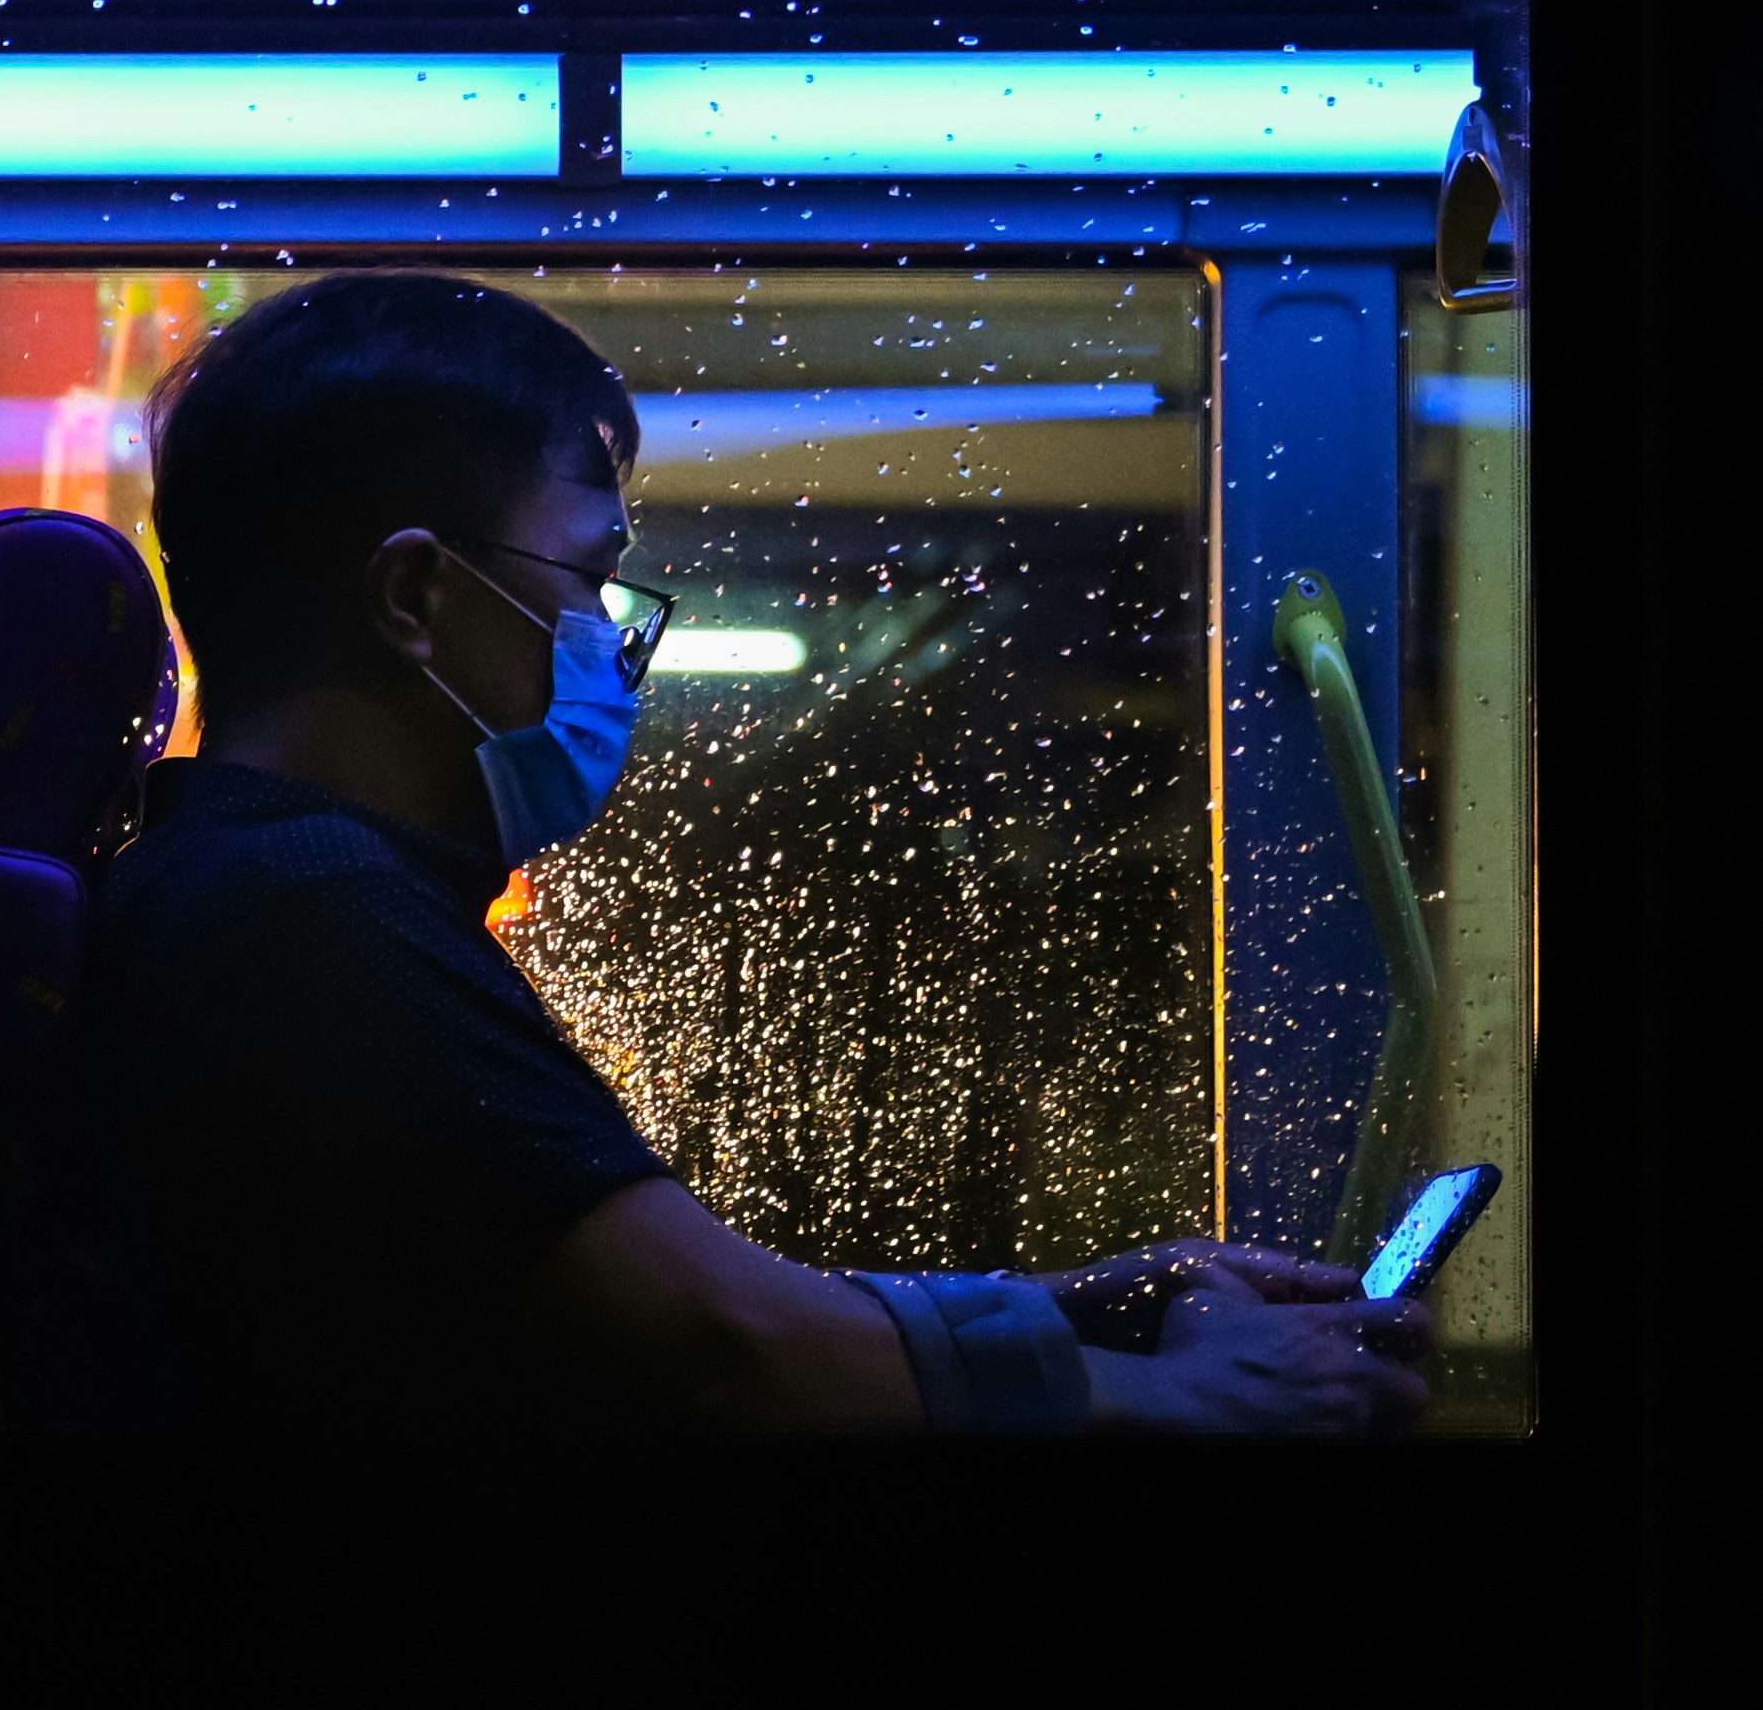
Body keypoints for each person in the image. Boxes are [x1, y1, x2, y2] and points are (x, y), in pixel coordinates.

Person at [70, 269, 1426, 1436]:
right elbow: (731, 1347)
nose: (615, 645)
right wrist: (1182, 1395)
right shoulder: (316, 916)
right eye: (588, 581)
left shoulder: (252, 884)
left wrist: (1074, 1309)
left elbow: (632, 1304)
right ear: (417, 595)